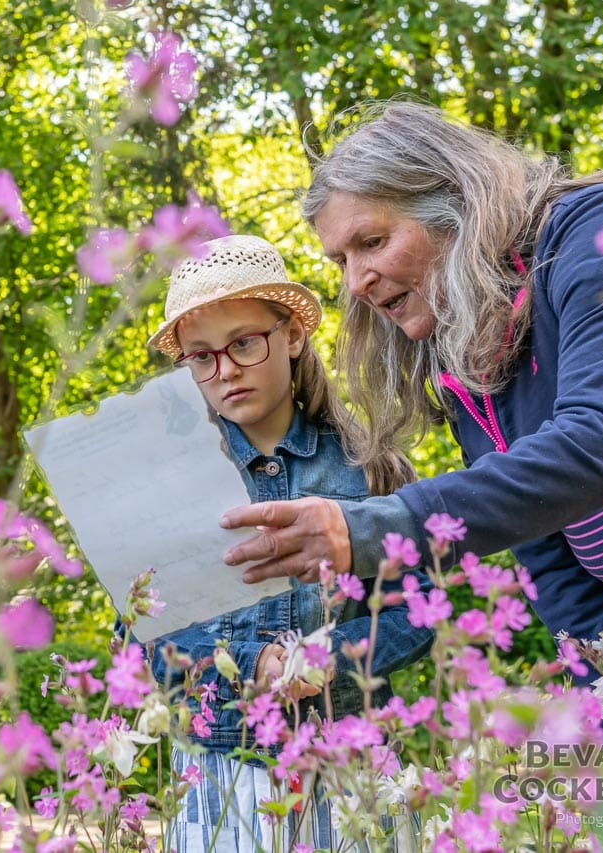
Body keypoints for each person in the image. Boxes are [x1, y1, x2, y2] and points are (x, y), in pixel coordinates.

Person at [218, 102, 603, 813]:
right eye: (340, 261)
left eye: (371, 240)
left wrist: (374, 528)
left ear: (456, 204)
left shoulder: (599, 241)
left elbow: (595, 447)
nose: (356, 282)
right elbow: (553, 551)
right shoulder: (467, 351)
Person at [144, 234, 435, 851]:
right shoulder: (167, 486)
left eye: (244, 343)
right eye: (200, 357)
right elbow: (149, 638)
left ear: (294, 335)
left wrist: (331, 657)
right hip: (220, 774)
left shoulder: (370, 466)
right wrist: (258, 664)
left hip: (349, 767)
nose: (223, 371)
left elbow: (421, 613)